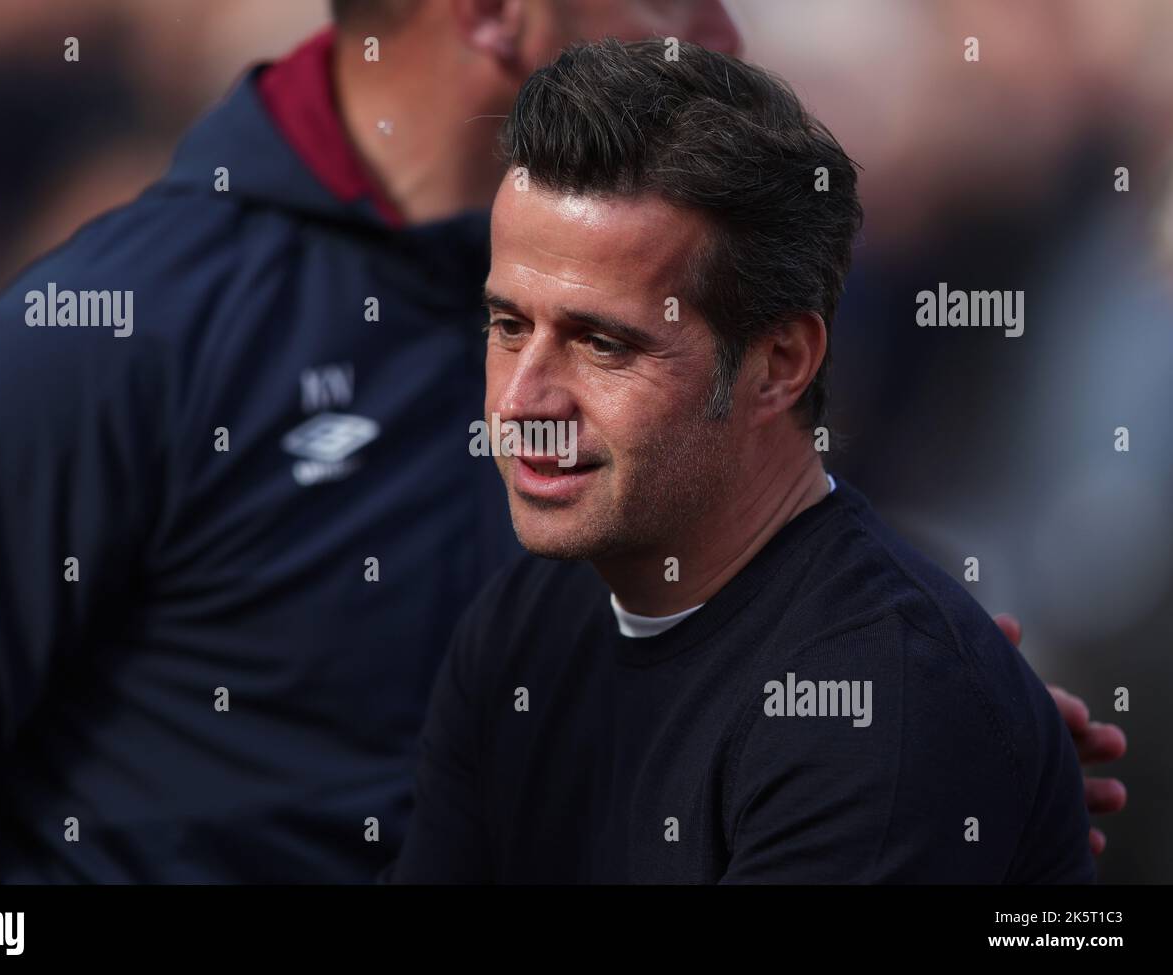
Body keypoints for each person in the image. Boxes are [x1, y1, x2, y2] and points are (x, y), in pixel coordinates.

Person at [0, 3, 1121, 883]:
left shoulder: (689, 289)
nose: (729, 34)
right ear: (491, 15)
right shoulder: (103, 338)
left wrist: (890, 741)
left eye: (599, 343)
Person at [387, 38, 1098, 883]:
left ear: (780, 362)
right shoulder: (521, 625)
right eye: (509, 326)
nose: (522, 402)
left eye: (604, 344)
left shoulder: (881, 704)